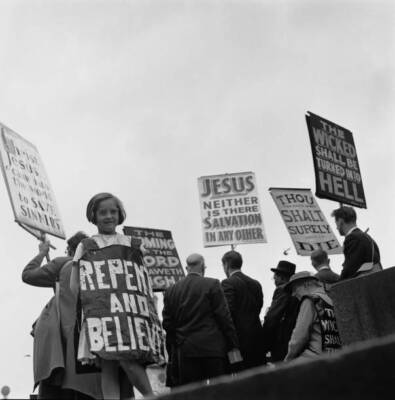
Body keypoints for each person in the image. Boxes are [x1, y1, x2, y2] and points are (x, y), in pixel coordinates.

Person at [70, 192, 164, 399]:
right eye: (103, 212)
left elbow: (145, 277)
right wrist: (87, 305)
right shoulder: (86, 245)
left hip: (129, 311)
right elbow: (75, 283)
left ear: (120, 214)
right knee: (108, 364)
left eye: (113, 211)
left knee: (127, 360)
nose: (108, 216)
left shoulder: (134, 243)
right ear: (93, 215)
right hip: (101, 312)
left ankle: (151, 396)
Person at [22, 231, 101, 400]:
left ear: (70, 250)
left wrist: (42, 253)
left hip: (58, 336)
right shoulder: (100, 267)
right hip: (89, 335)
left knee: (55, 384)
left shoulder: (64, 263)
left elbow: (28, 274)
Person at [162, 253, 240, 386]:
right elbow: (224, 318)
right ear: (203, 267)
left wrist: (177, 347)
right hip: (213, 350)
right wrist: (233, 346)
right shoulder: (212, 284)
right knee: (219, 393)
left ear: (187, 268)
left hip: (186, 352)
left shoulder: (171, 290)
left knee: (193, 393)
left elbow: (168, 324)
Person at [221, 250, 265, 370]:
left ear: (226, 264)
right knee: (258, 377)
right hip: (257, 340)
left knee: (238, 375)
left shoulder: (227, 283)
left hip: (237, 344)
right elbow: (259, 306)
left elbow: (227, 313)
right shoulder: (256, 283)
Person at [284, 271, 341, 362]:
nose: (293, 294)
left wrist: (288, 359)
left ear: (306, 284)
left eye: (295, 289)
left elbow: (298, 339)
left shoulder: (310, 301)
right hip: (335, 356)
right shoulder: (331, 300)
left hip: (315, 359)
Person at [261, 260, 299, 362]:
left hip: (281, 343)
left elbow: (271, 318)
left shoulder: (282, 290)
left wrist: (263, 343)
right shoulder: (297, 290)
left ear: (281, 277)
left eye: (275, 276)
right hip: (294, 339)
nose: (274, 279)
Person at [331, 206, 381, 279]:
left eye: (336, 223)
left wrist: (336, 285)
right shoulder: (368, 238)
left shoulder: (352, 238)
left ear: (341, 221)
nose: (336, 228)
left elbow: (350, 269)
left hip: (363, 285)